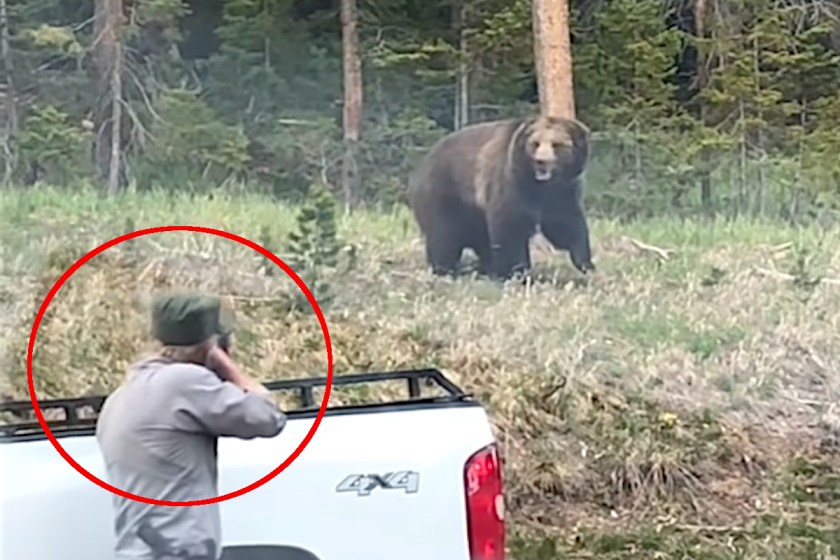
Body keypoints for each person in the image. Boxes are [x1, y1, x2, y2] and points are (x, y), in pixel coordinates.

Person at [95, 292, 287, 560]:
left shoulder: (123, 393)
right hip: (176, 553)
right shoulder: (182, 382)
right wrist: (226, 366)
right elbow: (268, 418)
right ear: (209, 345)